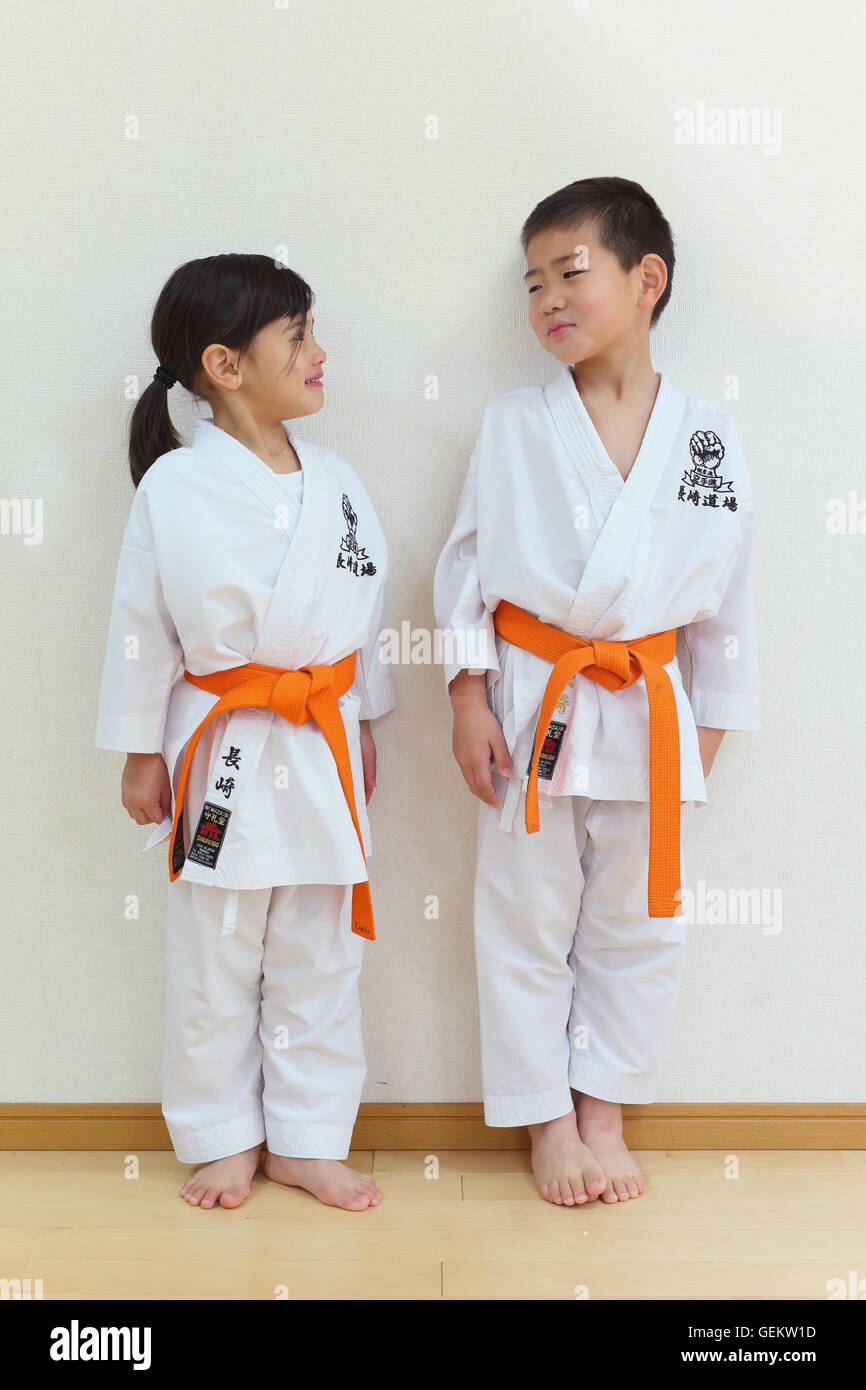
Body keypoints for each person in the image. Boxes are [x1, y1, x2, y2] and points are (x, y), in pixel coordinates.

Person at [433, 177, 759, 1206]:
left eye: (568, 273)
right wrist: (466, 697)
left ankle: (604, 1108)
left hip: (651, 715)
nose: (546, 303)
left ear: (646, 279)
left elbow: (729, 604)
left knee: (637, 922)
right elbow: (462, 567)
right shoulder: (511, 425)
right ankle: (543, 1120)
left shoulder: (706, 436)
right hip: (533, 699)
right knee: (523, 919)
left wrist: (704, 727)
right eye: (532, 286)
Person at [95, 254, 396, 1211]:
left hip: (321, 739)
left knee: (320, 949)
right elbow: (142, 626)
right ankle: (222, 1135)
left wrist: (366, 717)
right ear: (225, 366)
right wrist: (143, 748)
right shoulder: (175, 489)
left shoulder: (338, 479)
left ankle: (308, 1137)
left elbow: (364, 612)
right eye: (299, 335)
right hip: (222, 745)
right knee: (215, 953)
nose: (320, 353)